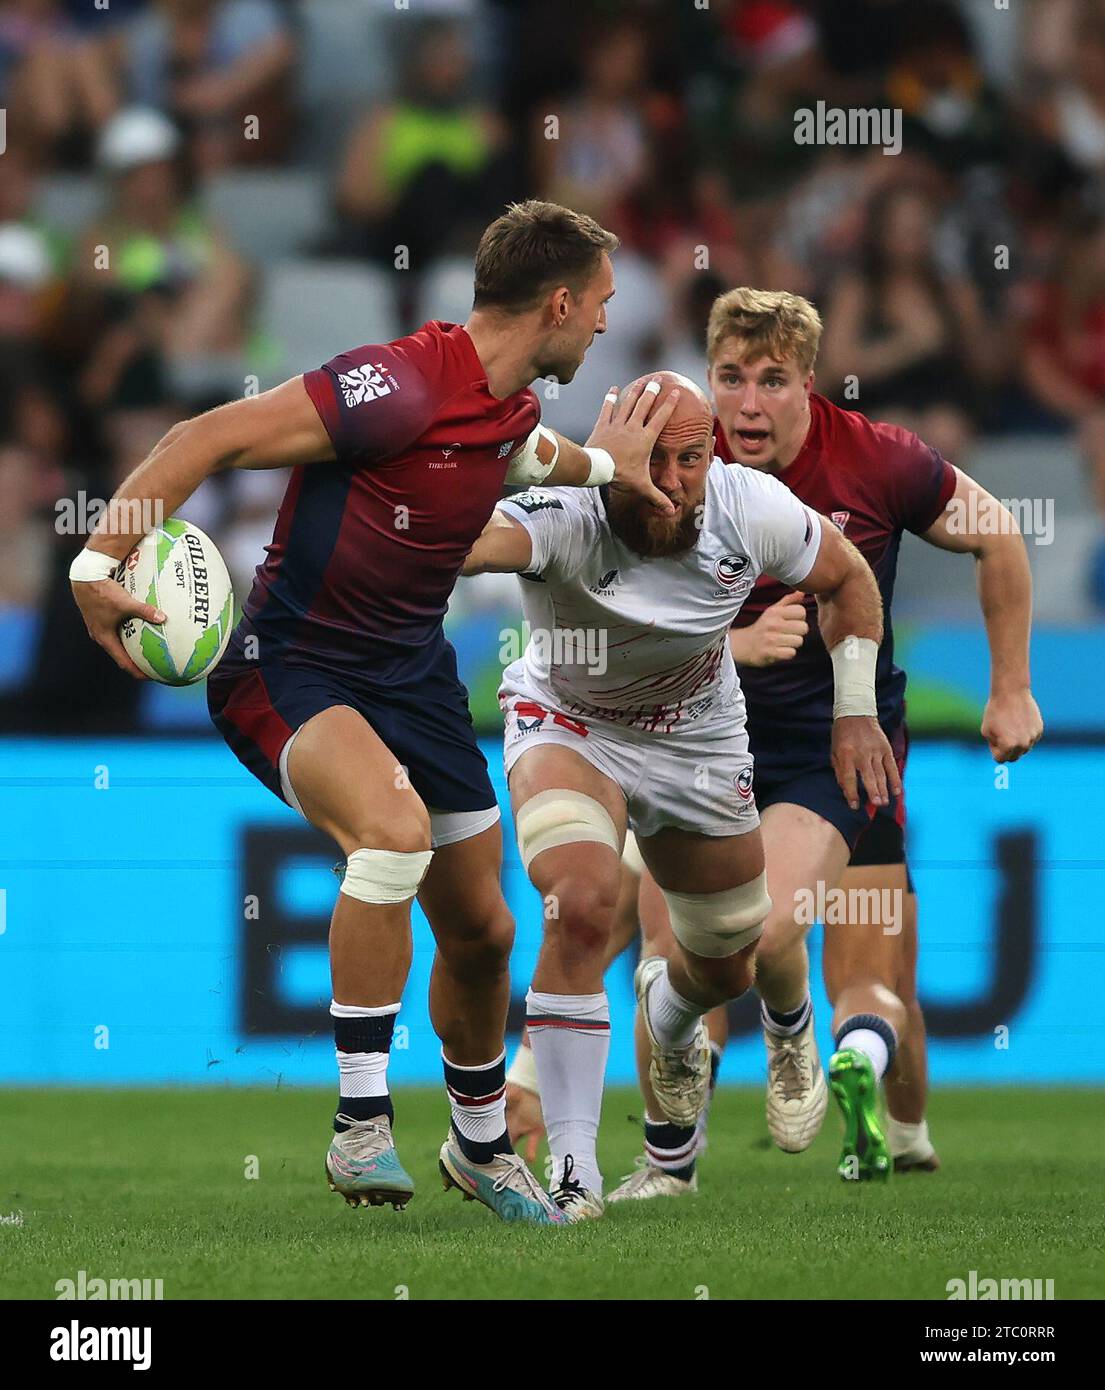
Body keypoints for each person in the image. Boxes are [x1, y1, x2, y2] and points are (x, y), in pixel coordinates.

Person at [67, 200, 680, 1227]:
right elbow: (204, 434)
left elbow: (530, 459)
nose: (607, 326)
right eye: (602, 304)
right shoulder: (394, 386)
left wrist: (620, 473)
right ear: (560, 301)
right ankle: (360, 1125)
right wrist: (95, 561)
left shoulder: (508, 406)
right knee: (389, 836)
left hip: (414, 675)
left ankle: (479, 1143)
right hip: (290, 663)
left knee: (483, 930)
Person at [508, 287, 1043, 1189]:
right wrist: (733, 645)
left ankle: (853, 1086)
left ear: (810, 385)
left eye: (772, 381)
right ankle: (668, 1161)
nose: (747, 403)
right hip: (679, 740)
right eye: (729, 378)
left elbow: (994, 534)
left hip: (828, 747)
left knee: (753, 944)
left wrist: (1012, 688)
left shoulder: (875, 461)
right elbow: (620, 609)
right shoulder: (661, 469)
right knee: (662, 951)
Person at [462, 370, 896, 1218]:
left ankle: (681, 1022)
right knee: (583, 903)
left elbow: (848, 580)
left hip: (696, 737)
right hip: (569, 721)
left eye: (689, 460)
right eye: (649, 461)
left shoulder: (749, 507)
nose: (670, 483)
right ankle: (576, 1172)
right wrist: (531, 466)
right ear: (609, 456)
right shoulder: (566, 510)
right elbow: (459, 544)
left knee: (728, 959)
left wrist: (854, 709)